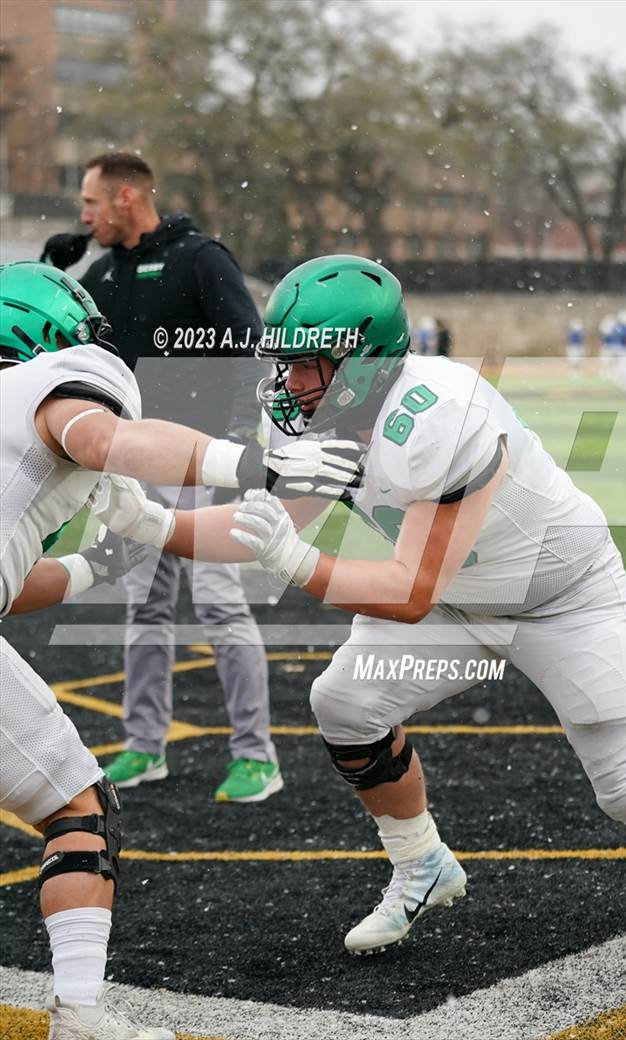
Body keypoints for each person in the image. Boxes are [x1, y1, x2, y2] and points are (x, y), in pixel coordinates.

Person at [229, 254, 626, 962]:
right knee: (345, 703)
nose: (292, 385)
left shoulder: (440, 414)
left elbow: (408, 588)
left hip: (559, 598)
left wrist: (296, 563)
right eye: (288, 365)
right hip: (460, 601)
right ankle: (421, 864)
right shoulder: (317, 419)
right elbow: (258, 520)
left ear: (364, 363)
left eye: (310, 366)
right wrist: (144, 527)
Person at [0, 261, 362, 1035]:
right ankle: (82, 1019)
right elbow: (106, 436)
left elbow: (12, 578)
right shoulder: (61, 380)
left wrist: (93, 565)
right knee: (78, 814)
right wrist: (257, 463)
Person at [42, 152, 277, 803]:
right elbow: (53, 339)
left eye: (90, 204)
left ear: (124, 197)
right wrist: (53, 261)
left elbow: (247, 344)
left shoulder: (201, 257)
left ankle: (256, 756)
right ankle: (145, 747)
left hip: (202, 461)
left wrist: (236, 440)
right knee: (143, 609)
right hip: (135, 466)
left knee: (220, 605)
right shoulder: (103, 273)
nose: (83, 217)